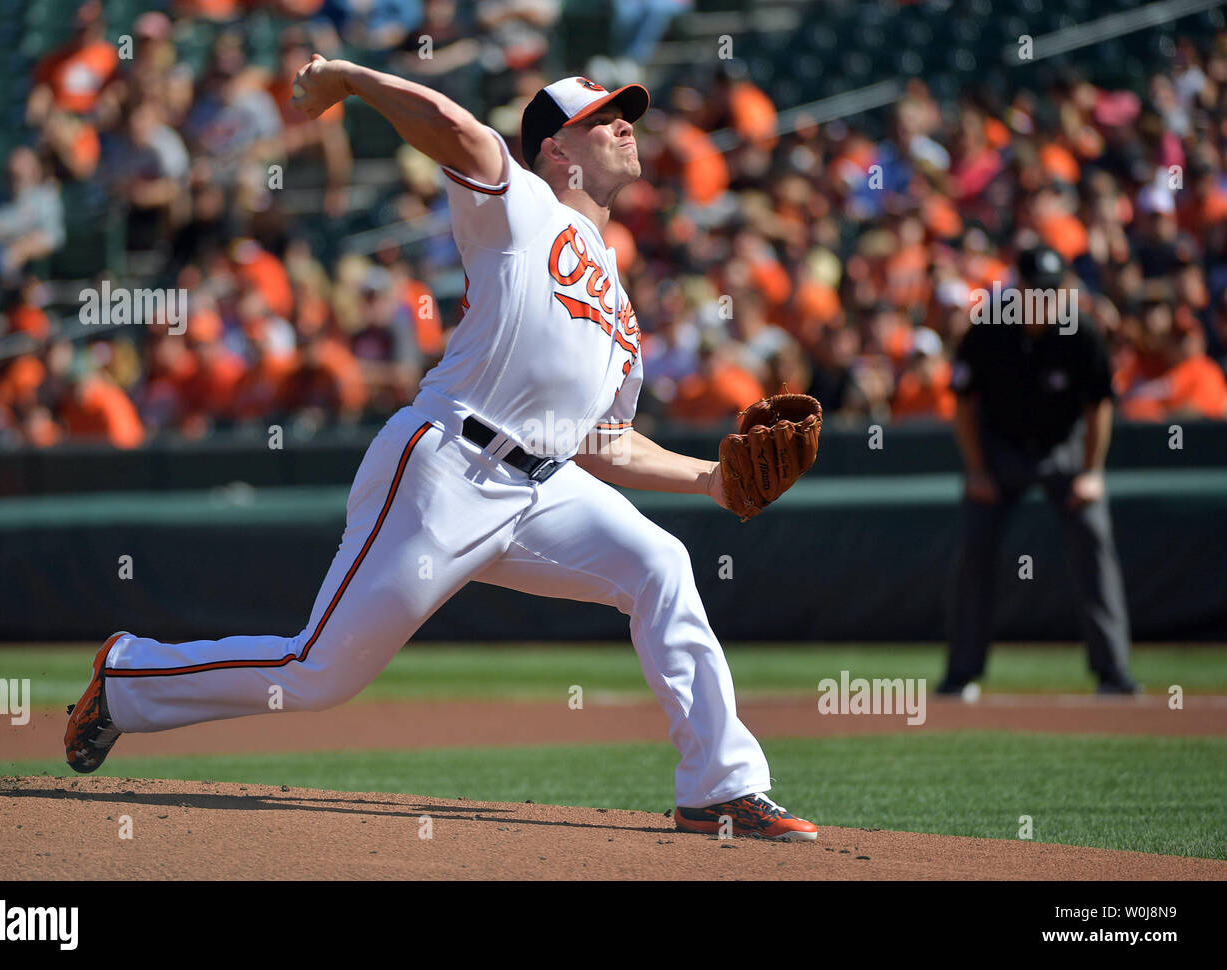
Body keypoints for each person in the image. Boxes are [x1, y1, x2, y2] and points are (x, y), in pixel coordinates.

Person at [65, 61, 817, 841]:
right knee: (317, 674)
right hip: (447, 465)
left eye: (625, 115)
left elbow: (600, 439)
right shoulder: (522, 207)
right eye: (601, 119)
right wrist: (352, 80)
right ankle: (127, 678)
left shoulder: (619, 299)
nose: (625, 125)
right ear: (556, 150)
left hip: (542, 488)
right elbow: (455, 130)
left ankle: (720, 787)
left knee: (661, 564)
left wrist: (710, 481)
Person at [940, 245, 1139, 698]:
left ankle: (1114, 674)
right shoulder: (989, 329)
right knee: (975, 547)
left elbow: (1098, 406)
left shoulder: (1081, 331)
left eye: (1051, 291)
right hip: (999, 451)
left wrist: (1092, 471)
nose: (1043, 300)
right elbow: (964, 405)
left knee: (1093, 537)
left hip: (1063, 451)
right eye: (1034, 290)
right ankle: (961, 675)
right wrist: (976, 471)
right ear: (1018, 289)